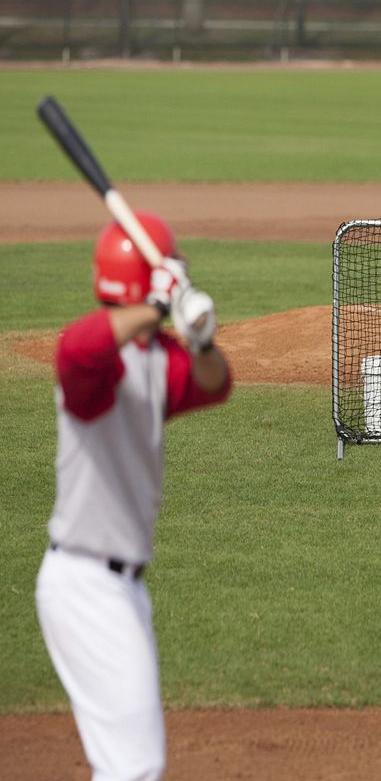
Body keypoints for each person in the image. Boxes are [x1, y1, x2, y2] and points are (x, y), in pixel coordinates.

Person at [35, 212, 232, 781]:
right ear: (146, 283)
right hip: (85, 584)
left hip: (121, 589)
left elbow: (217, 383)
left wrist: (200, 338)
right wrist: (158, 307)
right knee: (135, 765)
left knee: (126, 764)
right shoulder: (94, 370)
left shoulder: (156, 360)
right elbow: (77, 349)